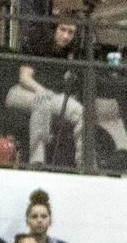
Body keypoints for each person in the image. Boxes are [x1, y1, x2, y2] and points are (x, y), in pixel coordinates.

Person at [6, 16, 87, 166]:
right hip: (22, 91)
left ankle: (83, 164)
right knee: (42, 102)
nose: (66, 36)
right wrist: (40, 90)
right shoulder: (38, 44)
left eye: (70, 32)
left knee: (81, 112)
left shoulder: (71, 52)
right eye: (62, 30)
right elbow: (24, 78)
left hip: (51, 95)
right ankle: (37, 162)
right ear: (54, 29)